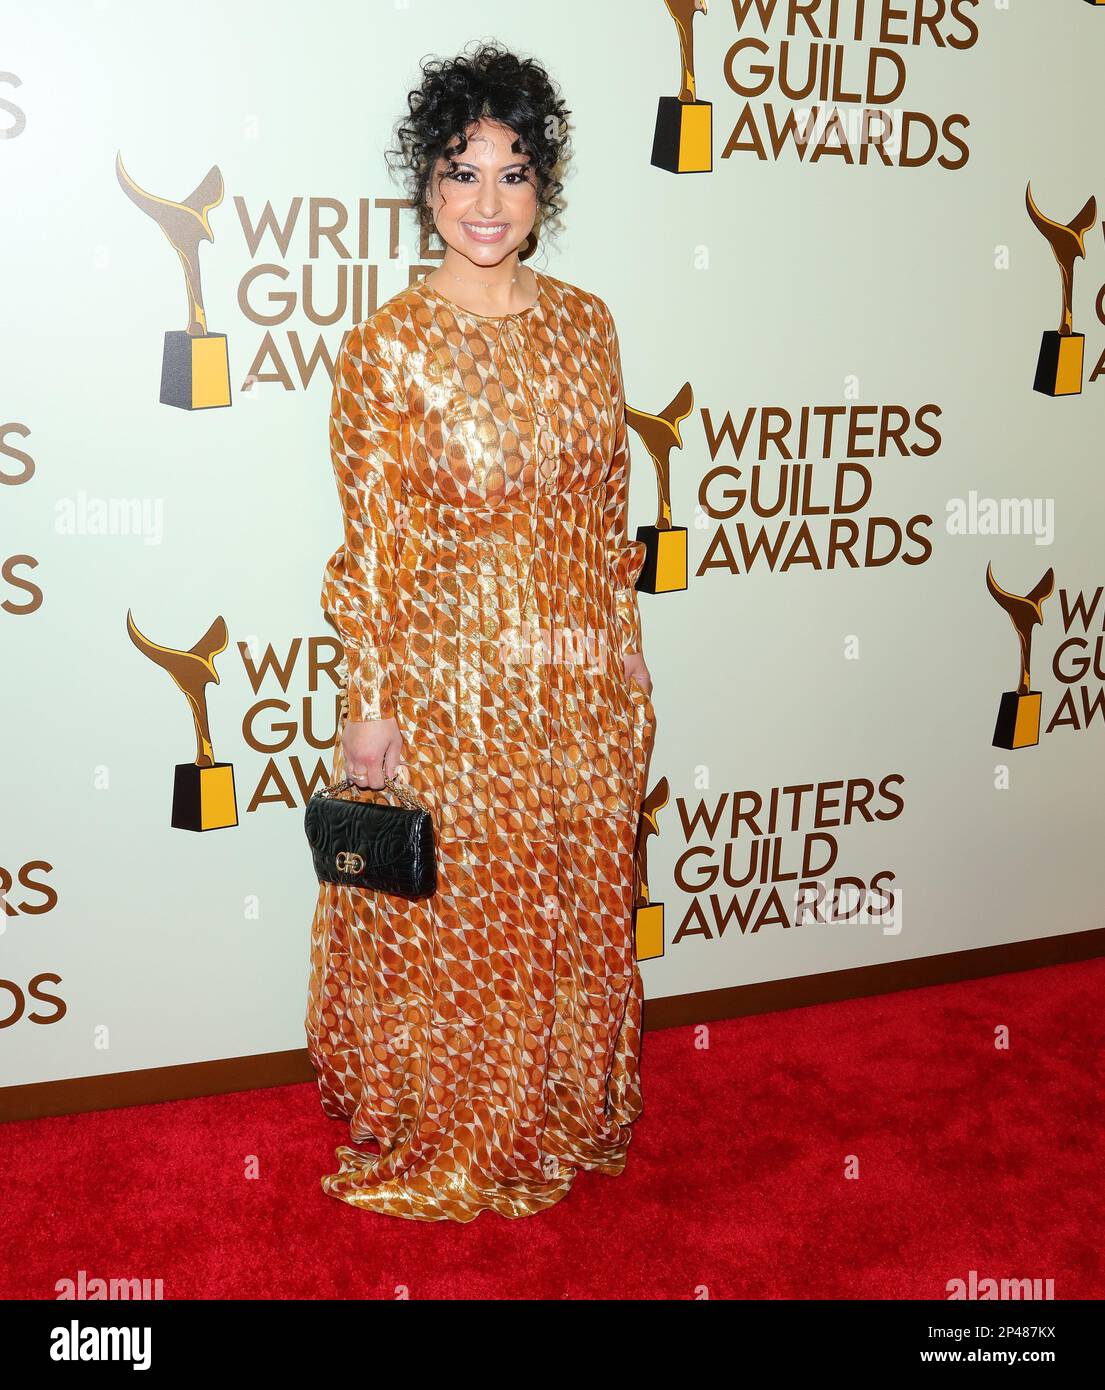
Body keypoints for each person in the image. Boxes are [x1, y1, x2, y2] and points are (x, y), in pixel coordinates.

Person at [305, 40, 656, 1222]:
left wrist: (626, 646)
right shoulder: (386, 348)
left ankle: (560, 1099)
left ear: (544, 187)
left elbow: (608, 508)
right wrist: (371, 704)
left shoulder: (587, 325)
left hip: (581, 673)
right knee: (470, 914)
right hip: (456, 686)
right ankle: (461, 1118)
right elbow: (374, 547)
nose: (487, 202)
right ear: (425, 188)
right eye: (462, 173)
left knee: (571, 892)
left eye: (513, 173)